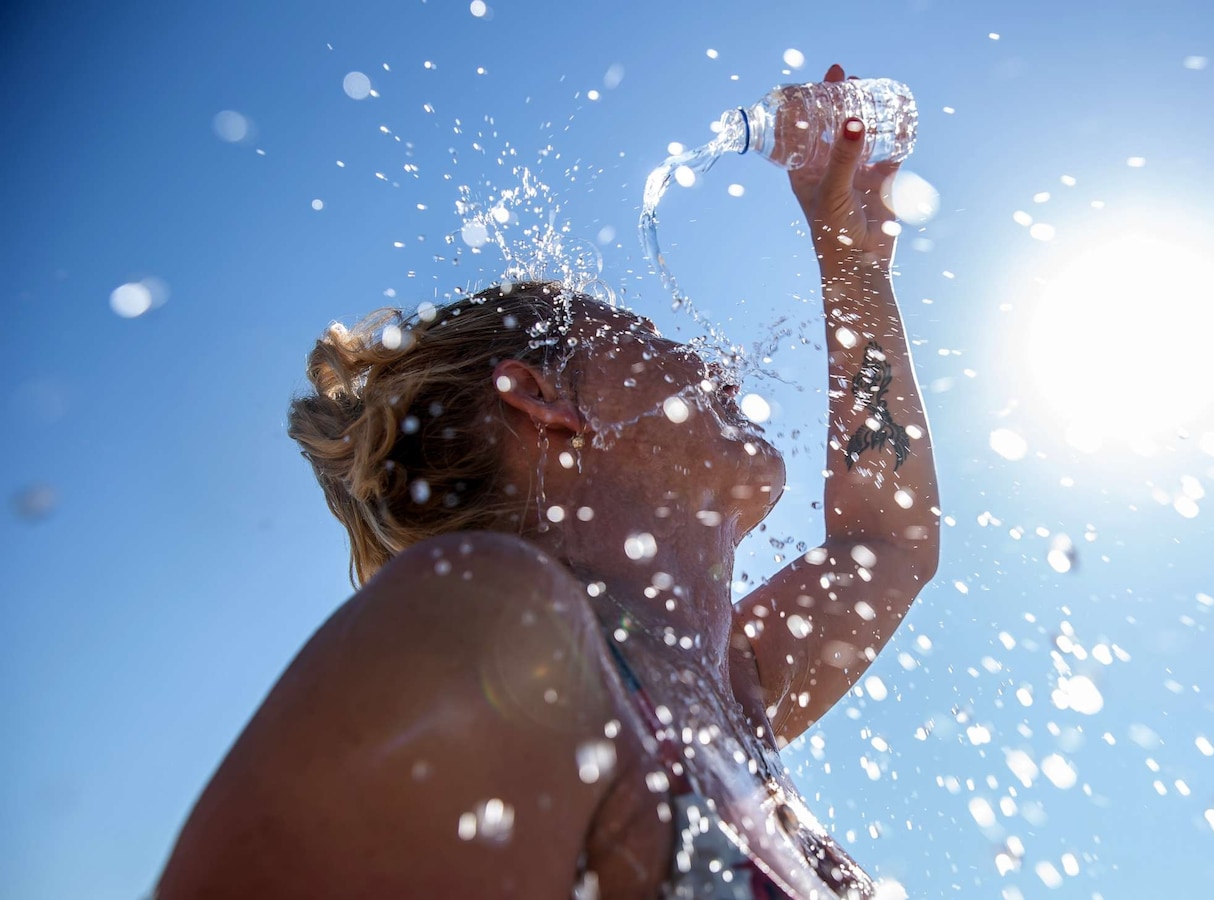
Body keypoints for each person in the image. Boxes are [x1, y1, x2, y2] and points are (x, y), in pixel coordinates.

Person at [156, 63, 939, 899]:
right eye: (639, 333)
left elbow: (888, 542)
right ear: (541, 397)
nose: (713, 363)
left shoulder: (726, 690)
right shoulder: (501, 631)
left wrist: (853, 267)